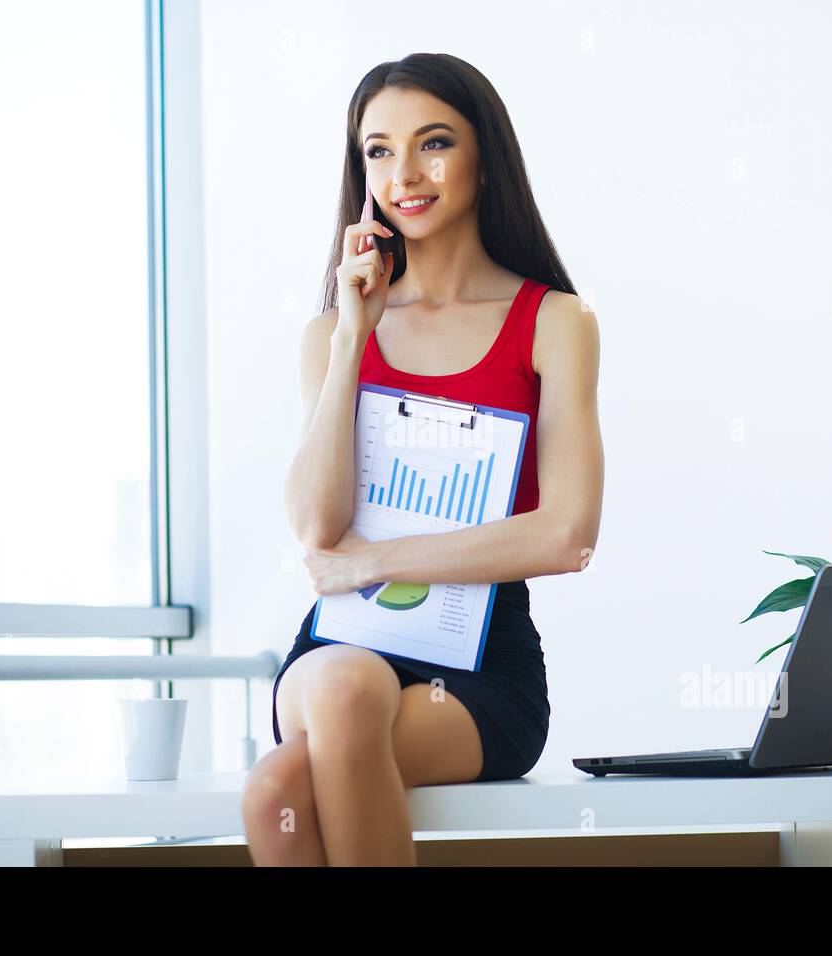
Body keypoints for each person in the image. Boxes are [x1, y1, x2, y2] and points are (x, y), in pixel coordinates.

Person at [240, 52, 604, 866]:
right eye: (377, 150)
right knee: (339, 686)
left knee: (275, 794)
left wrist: (382, 559)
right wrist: (349, 339)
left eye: (432, 142)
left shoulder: (555, 323)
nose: (404, 172)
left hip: (478, 665)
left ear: (485, 159)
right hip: (340, 644)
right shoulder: (333, 337)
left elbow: (567, 536)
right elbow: (315, 523)